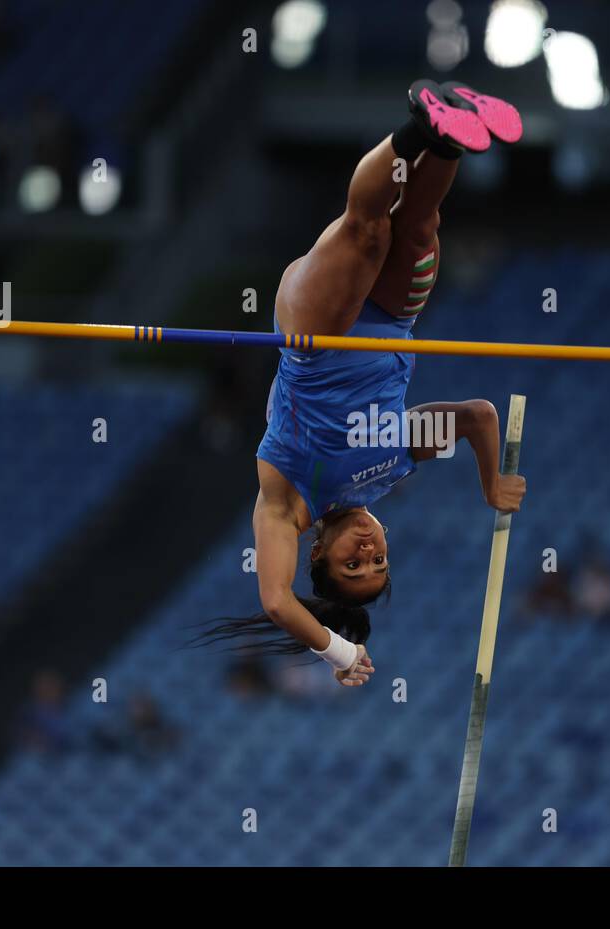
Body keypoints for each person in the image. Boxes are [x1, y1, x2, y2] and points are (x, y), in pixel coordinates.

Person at [199, 81, 528, 687]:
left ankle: (419, 126)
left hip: (316, 336)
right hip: (393, 321)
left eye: (355, 566)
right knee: (420, 226)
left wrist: (338, 652)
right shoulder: (396, 459)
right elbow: (480, 416)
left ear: (318, 556)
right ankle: (454, 130)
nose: (368, 552)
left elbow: (275, 600)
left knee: (369, 232)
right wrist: (492, 485)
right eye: (380, 559)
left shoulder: (289, 500)